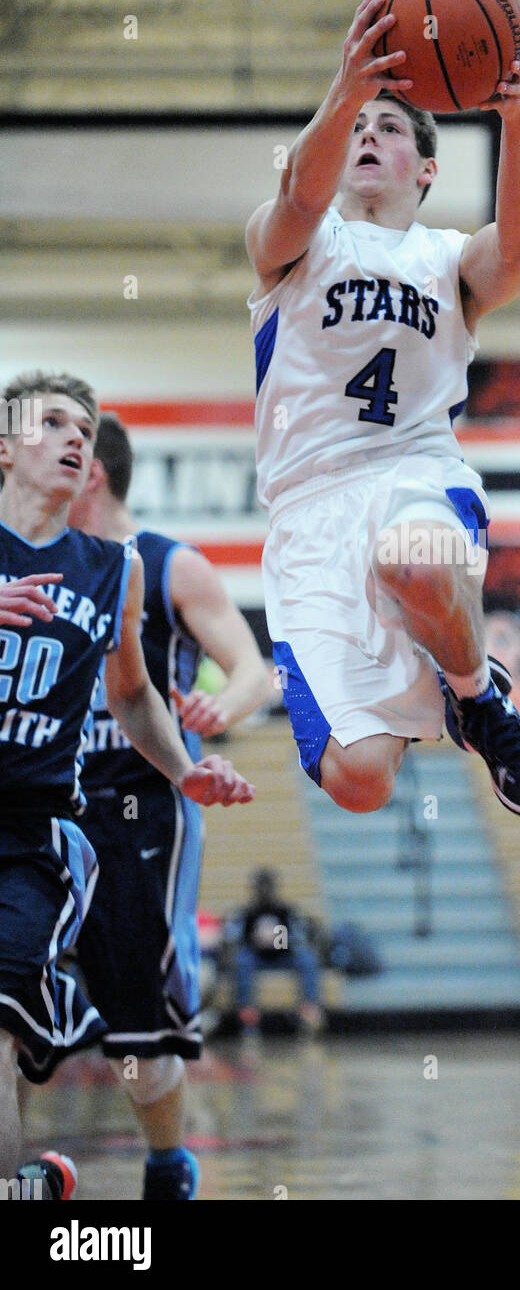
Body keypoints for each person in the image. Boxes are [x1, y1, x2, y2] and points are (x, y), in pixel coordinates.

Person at [245, 0, 520, 820]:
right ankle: (449, 677)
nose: (368, 137)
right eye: (359, 128)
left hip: (410, 471)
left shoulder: (450, 259)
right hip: (307, 514)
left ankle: (481, 703)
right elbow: (297, 197)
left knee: (417, 556)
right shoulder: (294, 244)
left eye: (390, 129)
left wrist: (518, 116)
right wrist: (346, 93)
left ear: (428, 169)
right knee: (361, 782)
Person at [0, 372, 254, 1200]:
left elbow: (137, 693)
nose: (76, 438)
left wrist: (190, 764)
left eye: (86, 427)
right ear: (5, 448)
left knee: (124, 1027)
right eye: (54, 424)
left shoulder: (125, 569)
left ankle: (166, 1161)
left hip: (72, 821)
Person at [67, 412, 271, 1200]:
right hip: (46, 797)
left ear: (91, 471)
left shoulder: (168, 563)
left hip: (143, 794)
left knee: (143, 1006)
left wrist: (227, 708)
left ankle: (166, 1163)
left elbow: (252, 666)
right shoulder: (26, 561)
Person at [226, 869, 323, 1035]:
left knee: (307, 959)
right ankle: (247, 1010)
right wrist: (253, 940)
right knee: (242, 960)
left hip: (283, 956)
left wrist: (284, 939)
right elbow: (232, 936)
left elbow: (303, 933)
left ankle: (309, 1007)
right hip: (255, 958)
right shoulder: (247, 913)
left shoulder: (286, 911)